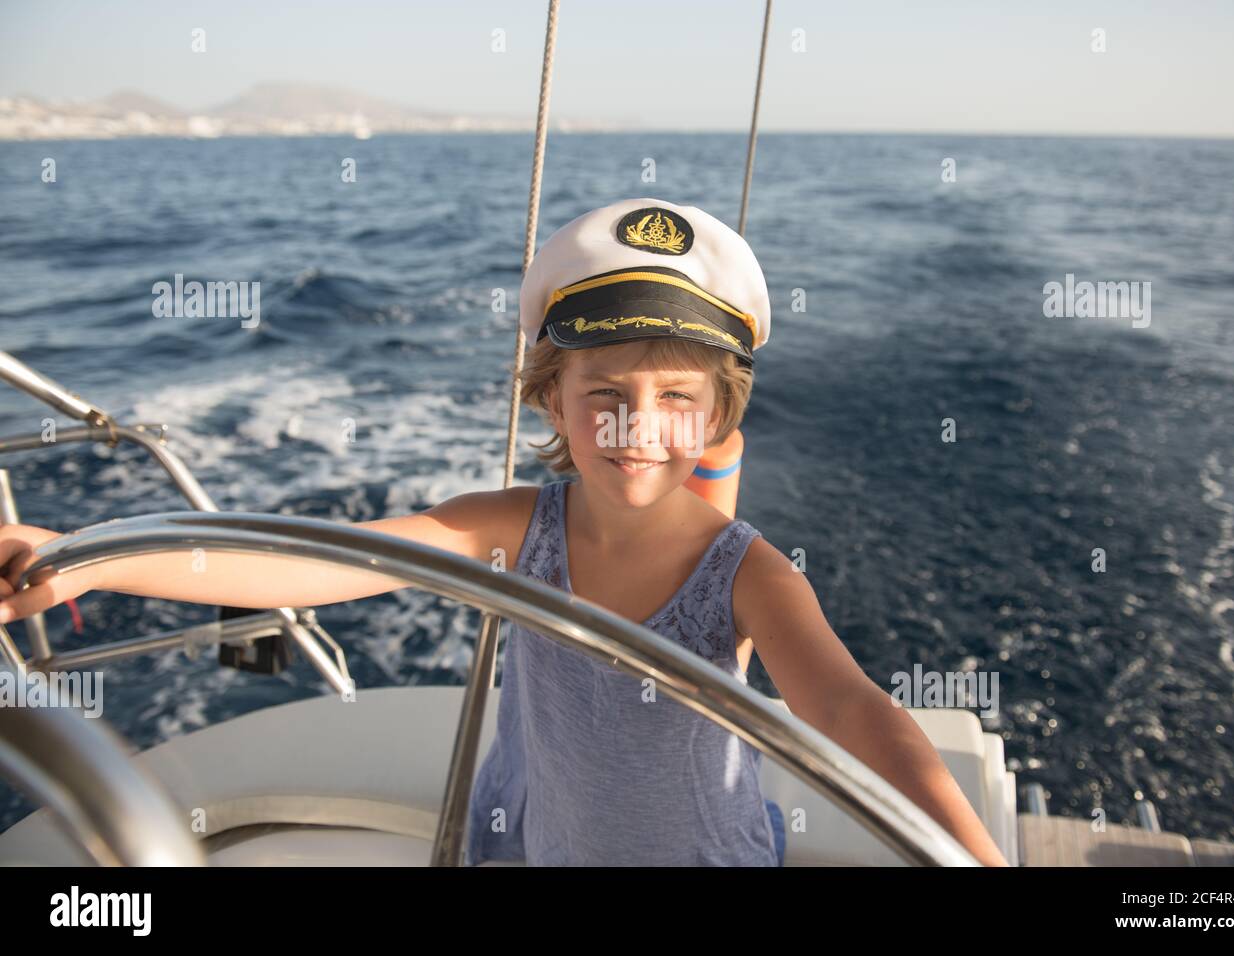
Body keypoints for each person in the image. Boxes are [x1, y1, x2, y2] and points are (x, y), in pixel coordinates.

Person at [0, 198, 1009, 867]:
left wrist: (969, 855)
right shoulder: (514, 525)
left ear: (716, 421)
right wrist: (93, 550)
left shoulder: (745, 573)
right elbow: (315, 561)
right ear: (552, 406)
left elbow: (847, 704)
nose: (635, 425)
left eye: (674, 399)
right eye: (604, 392)